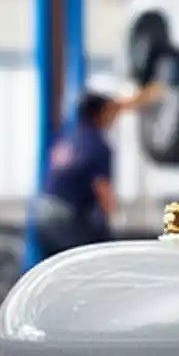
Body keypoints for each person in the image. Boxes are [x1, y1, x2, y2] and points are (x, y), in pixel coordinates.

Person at [32, 87, 160, 257]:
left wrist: (145, 97)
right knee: (94, 256)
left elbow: (118, 106)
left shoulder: (69, 138)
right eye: (109, 112)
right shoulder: (97, 145)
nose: (114, 118)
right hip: (66, 218)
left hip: (42, 212)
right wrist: (111, 228)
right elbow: (103, 191)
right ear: (100, 114)